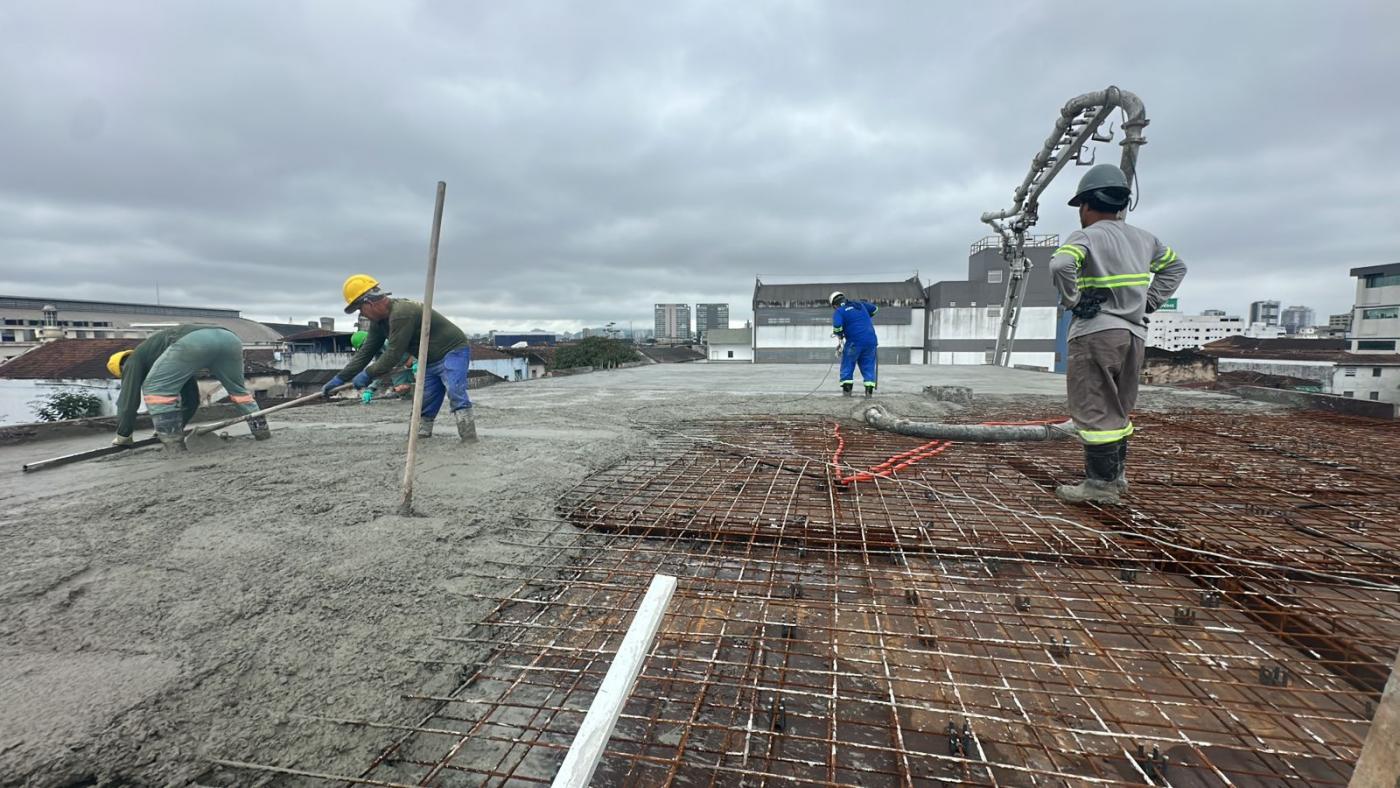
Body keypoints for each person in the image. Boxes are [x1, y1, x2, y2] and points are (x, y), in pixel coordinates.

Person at [1049, 164, 1186, 504]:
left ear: (1086, 205)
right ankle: (1116, 477)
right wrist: (1149, 302)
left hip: (1096, 333)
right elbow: (1176, 267)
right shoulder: (1145, 239)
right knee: (1118, 408)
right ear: (1122, 203)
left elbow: (1060, 264)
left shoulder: (1087, 236)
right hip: (1134, 335)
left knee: (1094, 407)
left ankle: (1100, 486)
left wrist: (1074, 300)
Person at [324, 274, 477, 441]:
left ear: (369, 303)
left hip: (452, 351)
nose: (363, 314)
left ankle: (469, 439)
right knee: (424, 402)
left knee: (455, 391)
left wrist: (368, 374)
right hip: (428, 360)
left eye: (360, 309)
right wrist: (340, 378)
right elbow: (366, 352)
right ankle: (421, 437)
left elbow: (393, 353)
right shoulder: (379, 323)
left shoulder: (401, 313)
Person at [108, 325, 269, 451]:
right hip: (229, 339)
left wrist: (124, 436)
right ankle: (262, 433)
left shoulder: (132, 361)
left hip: (193, 341)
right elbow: (191, 400)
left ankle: (174, 448)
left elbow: (127, 402)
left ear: (122, 367)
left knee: (155, 390)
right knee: (239, 392)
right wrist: (173, 426)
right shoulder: (166, 359)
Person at [830, 291, 879, 397]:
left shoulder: (839, 311)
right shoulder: (860, 305)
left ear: (834, 305)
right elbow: (875, 309)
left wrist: (840, 336)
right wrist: (863, 317)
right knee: (868, 367)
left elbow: (837, 327)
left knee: (847, 366)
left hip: (854, 342)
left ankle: (847, 396)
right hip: (871, 341)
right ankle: (869, 395)